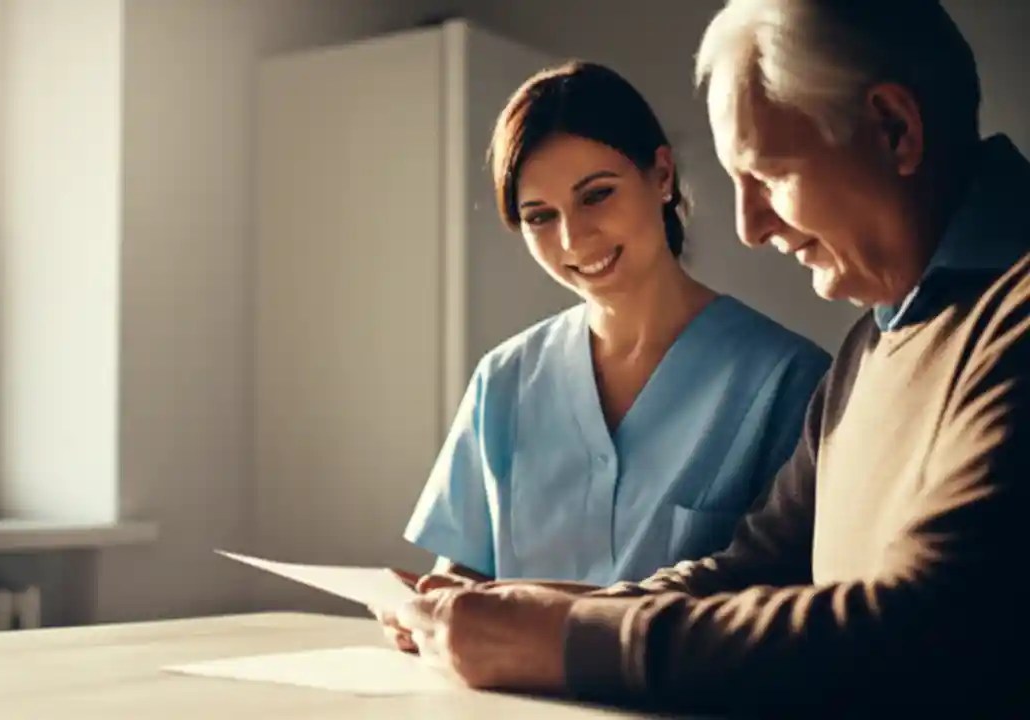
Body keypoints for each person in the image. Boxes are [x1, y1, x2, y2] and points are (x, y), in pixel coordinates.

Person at [390, 0, 1030, 712]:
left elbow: (926, 630)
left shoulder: (1011, 320)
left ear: (894, 130)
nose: (750, 227)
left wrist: (564, 640)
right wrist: (536, 613)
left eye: (770, 175)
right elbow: (749, 568)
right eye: (540, 215)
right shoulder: (872, 345)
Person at [379, 62, 829, 649]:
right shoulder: (504, 379)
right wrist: (422, 613)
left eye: (596, 195)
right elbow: (463, 579)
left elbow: (784, 610)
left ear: (661, 175)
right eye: (541, 217)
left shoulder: (788, 380)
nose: (573, 238)